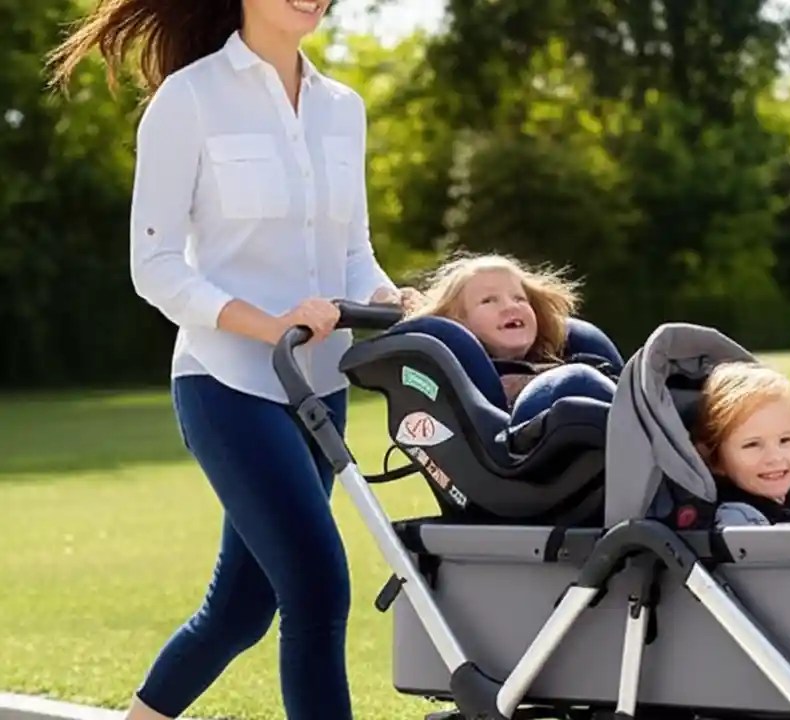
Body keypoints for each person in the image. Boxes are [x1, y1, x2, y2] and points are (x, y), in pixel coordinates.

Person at [46, 2, 420, 718]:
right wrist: (267, 324)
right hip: (227, 385)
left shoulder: (344, 108)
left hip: (318, 389)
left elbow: (352, 250)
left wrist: (387, 295)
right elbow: (154, 266)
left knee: (240, 610)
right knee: (316, 586)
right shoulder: (188, 100)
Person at [394, 252, 621, 425]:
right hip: (533, 455)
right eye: (489, 301)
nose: (511, 306)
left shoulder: (569, 355)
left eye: (520, 299)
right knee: (577, 380)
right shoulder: (470, 382)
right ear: (458, 323)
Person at [691, 361, 790, 526]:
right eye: (752, 445)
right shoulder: (738, 520)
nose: (775, 458)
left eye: (785, 440)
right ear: (714, 459)